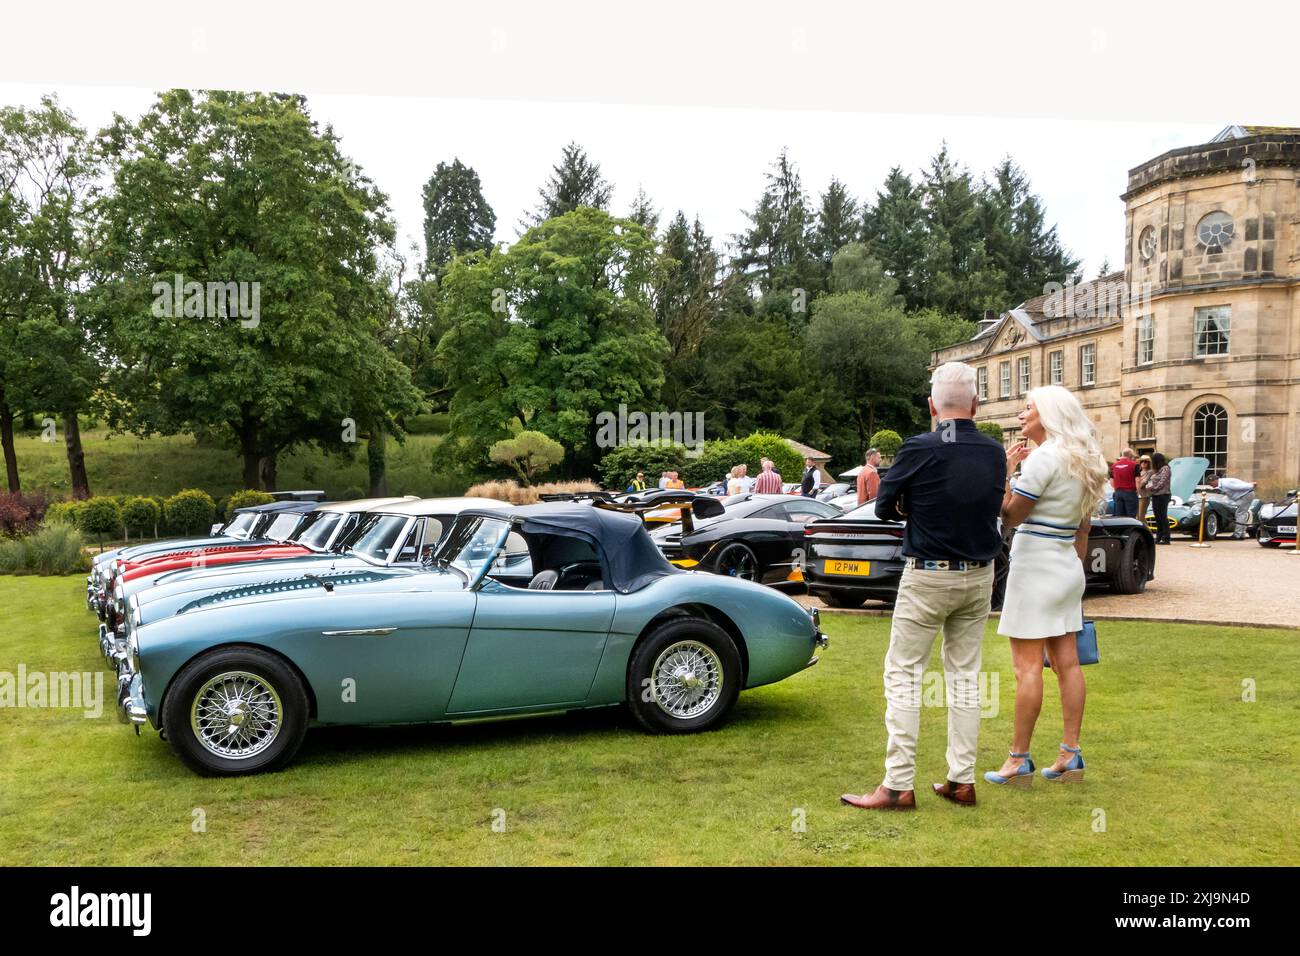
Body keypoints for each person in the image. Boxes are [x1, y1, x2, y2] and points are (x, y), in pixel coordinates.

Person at [840, 363, 1005, 811]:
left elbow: (882, 508)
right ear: (975, 403)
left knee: (904, 675)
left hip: (929, 572)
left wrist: (916, 510)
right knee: (966, 678)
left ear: (932, 406)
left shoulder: (920, 447)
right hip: (979, 574)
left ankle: (897, 784)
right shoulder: (994, 452)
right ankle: (961, 779)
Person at [985, 384, 1108, 789]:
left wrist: (1003, 472)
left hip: (1035, 566)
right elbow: (1084, 529)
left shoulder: (1043, 459)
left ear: (1048, 415)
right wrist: (1073, 565)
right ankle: (1070, 752)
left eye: (1028, 409)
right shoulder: (1085, 460)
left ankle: (1018, 758)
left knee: (1026, 668)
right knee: (1067, 663)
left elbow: (1011, 517)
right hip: (1066, 568)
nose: (1022, 415)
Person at [1210, 474, 1258, 539]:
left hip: (1246, 495)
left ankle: (1237, 534)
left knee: (1240, 514)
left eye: (1210, 483)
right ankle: (1241, 534)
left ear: (1215, 481)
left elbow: (1240, 487)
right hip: (1245, 495)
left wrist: (1251, 485)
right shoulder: (1223, 484)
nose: (1210, 485)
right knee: (1241, 514)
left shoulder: (1226, 483)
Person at [1145, 453, 1173, 544]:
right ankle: (1158, 537)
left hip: (1163, 495)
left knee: (1163, 516)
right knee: (1157, 517)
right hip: (1156, 495)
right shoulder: (1156, 470)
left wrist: (1152, 488)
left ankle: (1166, 538)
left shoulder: (1166, 469)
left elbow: (1162, 482)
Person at [1110, 448, 1138, 517]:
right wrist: (1138, 491)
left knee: (1119, 516)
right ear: (1131, 456)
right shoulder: (1135, 465)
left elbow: (1111, 481)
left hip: (1118, 493)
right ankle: (1130, 528)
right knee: (1131, 517)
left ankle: (1120, 528)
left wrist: (1117, 490)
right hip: (1130, 493)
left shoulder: (1113, 466)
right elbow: (1138, 480)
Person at [1135, 454, 1153, 523]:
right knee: (1137, 517)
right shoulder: (1139, 472)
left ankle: (1148, 533)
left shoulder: (1150, 472)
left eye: (1145, 461)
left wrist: (1136, 483)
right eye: (1142, 461)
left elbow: (1143, 483)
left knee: (1141, 517)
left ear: (1149, 463)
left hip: (1144, 496)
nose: (1143, 463)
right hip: (1137, 496)